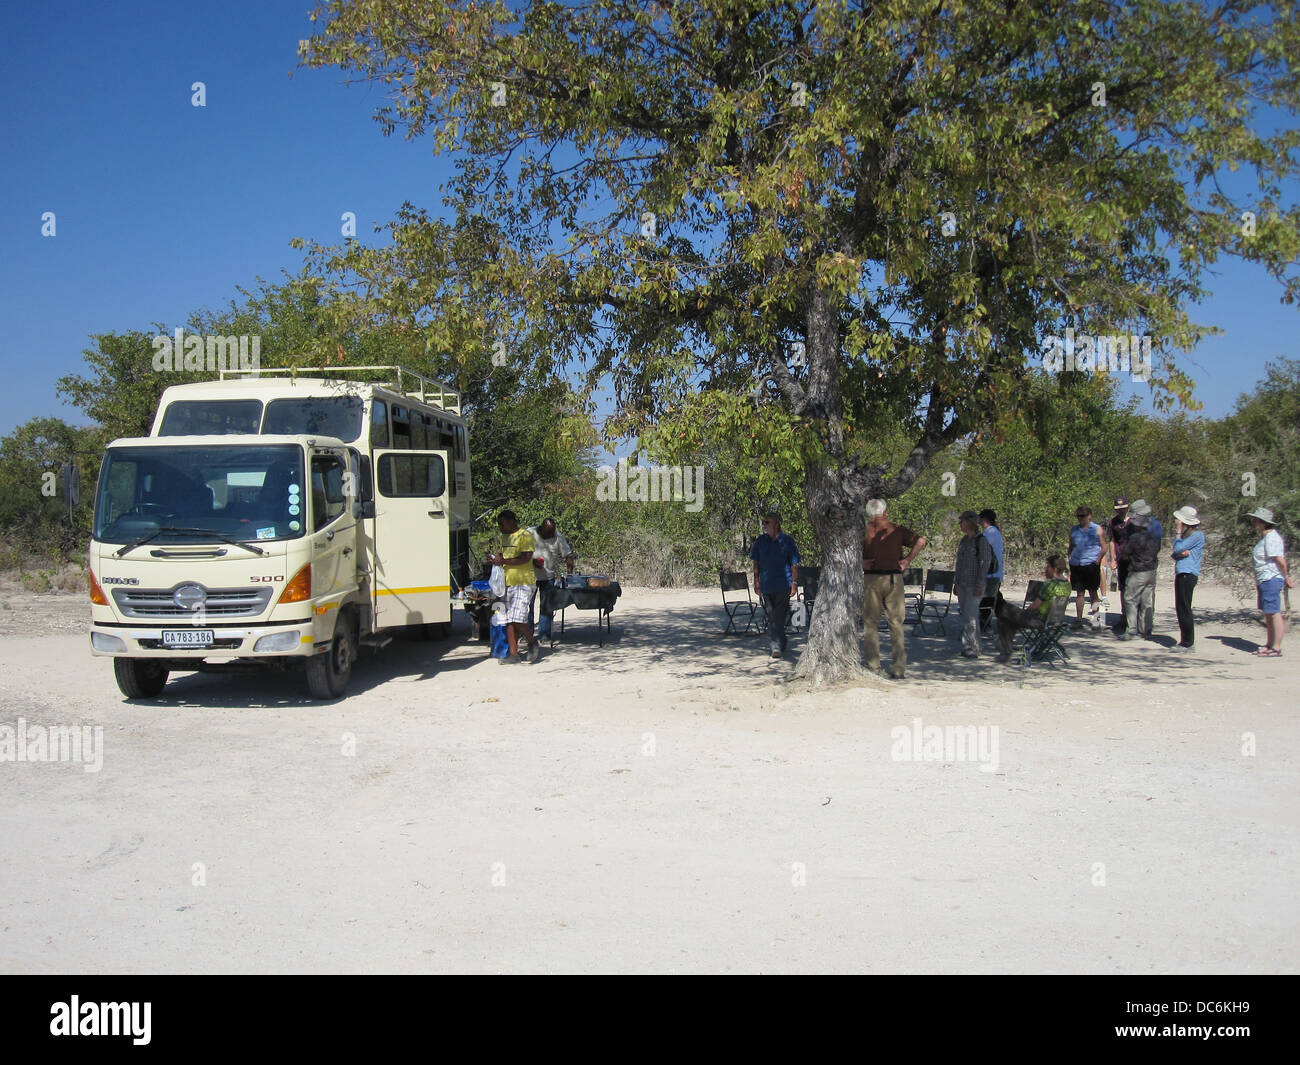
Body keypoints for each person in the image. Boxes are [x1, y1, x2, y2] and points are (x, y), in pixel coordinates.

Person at [861, 498, 927, 679]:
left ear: (869, 513)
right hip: (893, 578)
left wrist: (861, 562)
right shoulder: (897, 529)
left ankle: (873, 665)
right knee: (896, 623)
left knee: (870, 623)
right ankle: (898, 668)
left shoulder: (863, 530)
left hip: (871, 578)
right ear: (884, 512)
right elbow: (921, 541)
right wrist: (907, 560)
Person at [994, 555, 1072, 662]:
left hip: (1039, 619)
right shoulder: (1067, 584)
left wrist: (1024, 613)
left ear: (1054, 568)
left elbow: (1036, 605)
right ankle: (1005, 646)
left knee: (1005, 610)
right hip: (1054, 619)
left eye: (1048, 567)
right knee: (1008, 618)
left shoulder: (1050, 584)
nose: (1046, 569)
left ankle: (1005, 647)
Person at [485, 510, 539, 664]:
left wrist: (504, 562)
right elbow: (504, 557)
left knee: (518, 618)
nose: (500, 527)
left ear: (512, 521)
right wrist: (496, 559)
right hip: (508, 582)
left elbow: (525, 558)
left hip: (524, 582)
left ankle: (531, 641)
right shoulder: (505, 537)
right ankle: (513, 654)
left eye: (502, 524)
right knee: (509, 620)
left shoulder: (525, 536)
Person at [750, 512, 800, 659]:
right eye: (763, 522)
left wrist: (794, 583)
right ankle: (782, 639)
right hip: (766, 584)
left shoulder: (787, 541)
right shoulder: (760, 541)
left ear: (776, 524)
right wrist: (756, 581)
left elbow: (794, 564)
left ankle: (775, 646)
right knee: (772, 616)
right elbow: (756, 562)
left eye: (767, 522)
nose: (764, 525)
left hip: (783, 584)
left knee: (779, 616)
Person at [1248, 507, 1293, 657]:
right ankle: (1269, 643)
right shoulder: (1266, 537)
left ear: (1263, 522)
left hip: (1271, 578)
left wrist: (1286, 577)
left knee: (1274, 612)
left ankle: (1277, 647)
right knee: (1268, 613)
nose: (1254, 522)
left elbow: (1279, 559)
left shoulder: (1272, 538)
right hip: (1264, 579)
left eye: (1256, 519)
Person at [527, 517, 576, 640]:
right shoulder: (529, 533)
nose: (550, 535)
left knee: (547, 606)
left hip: (548, 577)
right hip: (529, 577)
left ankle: (544, 635)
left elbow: (568, 555)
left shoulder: (557, 537)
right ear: (541, 528)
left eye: (551, 532)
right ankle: (527, 634)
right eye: (547, 533)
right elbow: (520, 553)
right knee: (528, 606)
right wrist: (533, 562)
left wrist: (569, 571)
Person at [954, 510, 993, 659]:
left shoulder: (981, 541)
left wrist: (979, 585)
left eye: (962, 521)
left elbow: (985, 565)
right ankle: (969, 645)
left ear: (969, 522)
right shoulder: (964, 541)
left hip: (974, 585)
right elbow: (959, 563)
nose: (960, 524)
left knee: (971, 616)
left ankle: (973, 647)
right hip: (962, 584)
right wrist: (956, 582)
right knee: (966, 616)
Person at [1116, 510, 1159, 639]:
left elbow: (1125, 554)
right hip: (1151, 570)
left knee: (1130, 599)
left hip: (1137, 571)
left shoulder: (1135, 538)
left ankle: (1131, 630)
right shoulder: (1155, 537)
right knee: (1147, 601)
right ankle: (1146, 629)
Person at [1170, 505, 1204, 651]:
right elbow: (1175, 553)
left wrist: (1178, 534)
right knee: (1180, 607)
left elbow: (1177, 548)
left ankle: (1188, 642)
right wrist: (1179, 552)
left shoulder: (1197, 535)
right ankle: (1185, 640)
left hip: (1188, 573)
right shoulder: (1186, 537)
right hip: (1181, 572)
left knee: (1184, 607)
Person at [1068, 505, 1108, 625]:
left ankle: (1096, 619)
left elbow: (1104, 547)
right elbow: (1070, 546)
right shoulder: (1074, 529)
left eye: (1083, 516)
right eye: (1078, 516)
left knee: (1092, 592)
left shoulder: (1097, 529)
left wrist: (1097, 560)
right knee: (1079, 593)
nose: (1080, 518)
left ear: (1089, 516)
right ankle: (1079, 619)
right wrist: (1069, 557)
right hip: (1076, 564)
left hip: (1091, 564)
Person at [1108, 498, 1132, 632]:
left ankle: (1134, 618)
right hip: (1121, 558)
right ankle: (1124, 616)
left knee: (1133, 588)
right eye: (1118, 509)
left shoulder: (1133, 522)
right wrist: (1113, 559)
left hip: (1134, 560)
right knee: (1122, 588)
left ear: (1127, 508)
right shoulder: (1113, 522)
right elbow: (1111, 541)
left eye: (1123, 508)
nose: (1121, 511)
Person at [978, 509, 1003, 632]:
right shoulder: (994, 531)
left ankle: (986, 625)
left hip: (991, 573)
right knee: (993, 598)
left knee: (986, 600)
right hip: (994, 573)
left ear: (984, 519)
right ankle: (1004, 620)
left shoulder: (990, 532)